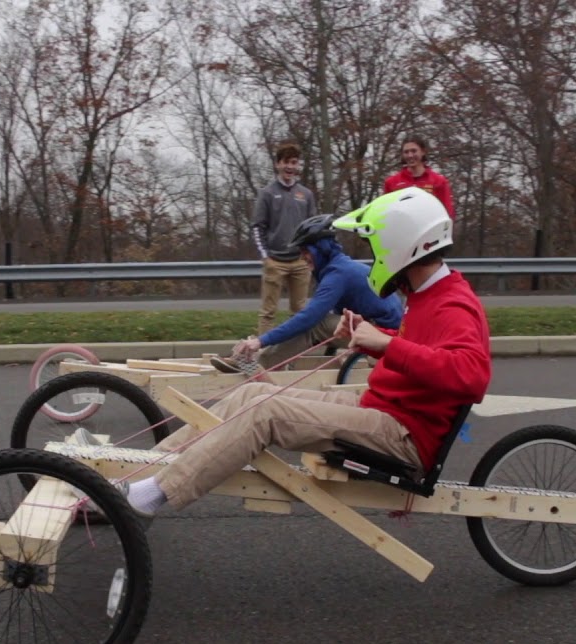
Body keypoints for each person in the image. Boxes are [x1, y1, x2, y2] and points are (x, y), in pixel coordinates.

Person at [120, 187, 492, 518]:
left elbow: (471, 376)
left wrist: (387, 344)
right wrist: (376, 338)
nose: (377, 255)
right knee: (252, 393)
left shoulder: (453, 303)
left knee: (267, 412)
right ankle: (129, 472)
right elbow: (420, 358)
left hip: (402, 433)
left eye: (380, 246)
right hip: (380, 411)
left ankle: (153, 493)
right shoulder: (425, 294)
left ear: (405, 245)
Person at [211, 213, 404, 375]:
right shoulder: (338, 268)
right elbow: (341, 317)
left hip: (388, 335)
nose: (302, 257)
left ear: (320, 249)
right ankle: (263, 361)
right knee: (318, 321)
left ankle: (258, 365)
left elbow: (309, 319)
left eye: (305, 250)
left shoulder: (338, 275)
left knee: (315, 324)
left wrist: (260, 341)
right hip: (384, 330)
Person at [251, 142, 318, 335]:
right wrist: (266, 257)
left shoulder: (306, 194)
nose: (290, 167)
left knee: (299, 313)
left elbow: (312, 227)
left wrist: (310, 256)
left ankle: (293, 355)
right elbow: (257, 226)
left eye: (294, 163)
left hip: (300, 262)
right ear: (278, 164)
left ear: (298, 166)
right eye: (286, 162)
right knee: (268, 312)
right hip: (275, 261)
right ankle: (263, 356)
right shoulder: (267, 193)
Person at [382, 136, 455, 220]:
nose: (410, 155)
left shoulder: (439, 181)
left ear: (423, 152)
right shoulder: (391, 182)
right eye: (406, 152)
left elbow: (447, 213)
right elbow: (386, 213)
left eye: (414, 151)